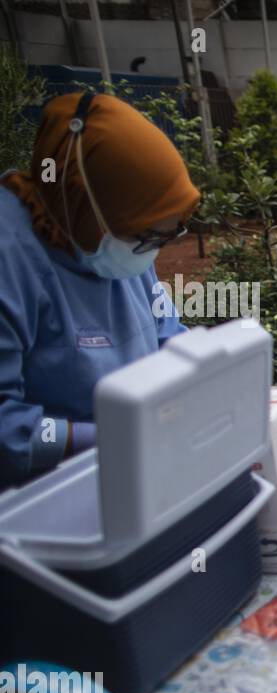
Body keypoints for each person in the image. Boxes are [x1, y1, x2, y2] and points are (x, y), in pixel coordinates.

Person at [0, 92, 198, 489]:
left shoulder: (113, 242)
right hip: (42, 499)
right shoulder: (12, 259)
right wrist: (104, 439)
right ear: (86, 211)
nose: (153, 250)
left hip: (134, 472)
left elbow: (167, 336)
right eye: (146, 237)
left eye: (166, 234)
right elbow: (5, 428)